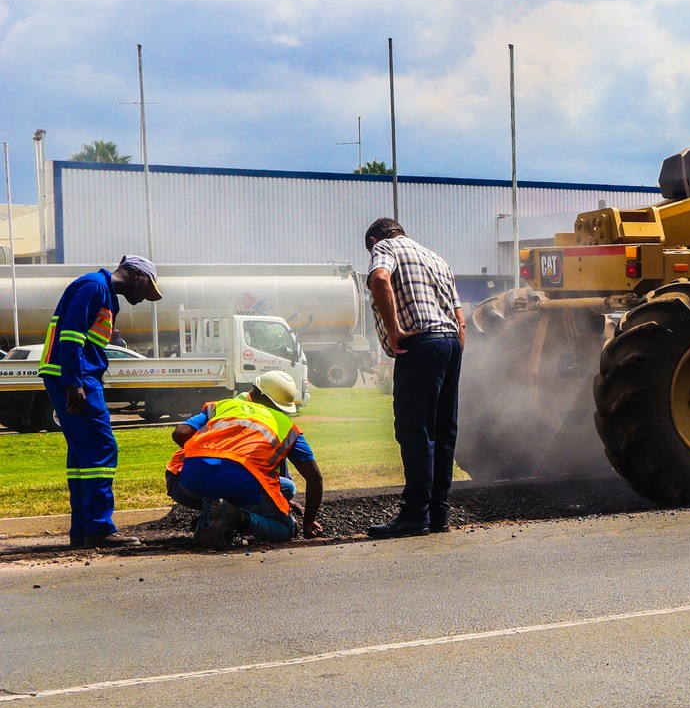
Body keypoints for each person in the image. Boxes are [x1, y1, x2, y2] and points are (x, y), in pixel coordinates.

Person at [39, 255, 162, 548]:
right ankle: (99, 527)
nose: (145, 297)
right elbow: (70, 335)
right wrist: (74, 383)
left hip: (76, 376)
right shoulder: (94, 286)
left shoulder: (102, 291)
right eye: (147, 289)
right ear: (138, 276)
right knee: (102, 447)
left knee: (83, 455)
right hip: (75, 377)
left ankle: (82, 530)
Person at [363, 216, 464, 537]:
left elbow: (380, 278)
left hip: (420, 344)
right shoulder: (436, 258)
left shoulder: (385, 248)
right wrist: (452, 352)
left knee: (415, 429)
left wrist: (394, 332)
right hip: (450, 344)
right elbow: (460, 320)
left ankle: (414, 514)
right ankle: (439, 514)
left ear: (374, 240)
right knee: (443, 431)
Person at [165, 370, 325, 548]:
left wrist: (207, 452)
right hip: (240, 481)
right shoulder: (285, 424)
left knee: (285, 487)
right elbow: (315, 477)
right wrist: (309, 521)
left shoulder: (224, 405)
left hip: (186, 478)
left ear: (255, 391)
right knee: (287, 528)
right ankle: (236, 517)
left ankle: (210, 519)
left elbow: (180, 433)